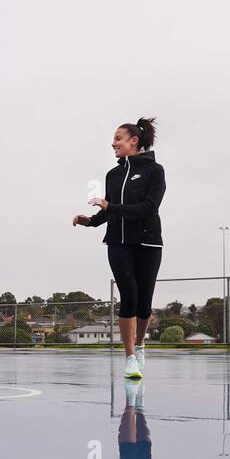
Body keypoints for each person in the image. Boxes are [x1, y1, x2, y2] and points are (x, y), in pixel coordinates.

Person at [72, 117, 166, 378]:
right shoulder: (112, 175)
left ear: (133, 141)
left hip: (148, 242)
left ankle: (140, 343)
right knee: (129, 296)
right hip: (118, 243)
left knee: (144, 304)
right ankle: (130, 358)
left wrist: (109, 207)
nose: (113, 143)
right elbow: (109, 210)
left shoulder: (155, 171)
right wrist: (89, 221)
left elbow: (149, 208)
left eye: (118, 138)